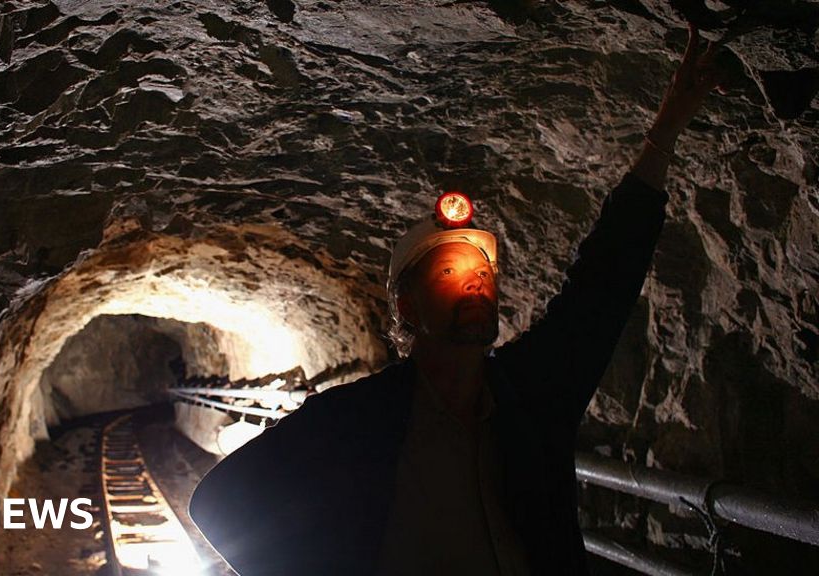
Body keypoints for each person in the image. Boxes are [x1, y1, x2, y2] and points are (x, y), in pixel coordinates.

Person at [188, 26, 723, 576]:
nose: (475, 281)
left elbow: (604, 282)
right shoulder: (358, 417)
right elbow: (220, 504)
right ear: (408, 308)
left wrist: (666, 132)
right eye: (449, 271)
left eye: (483, 271)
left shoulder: (533, 391)